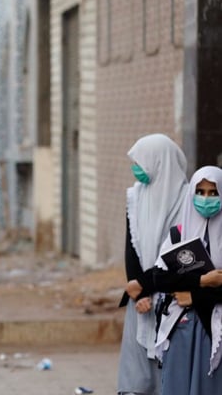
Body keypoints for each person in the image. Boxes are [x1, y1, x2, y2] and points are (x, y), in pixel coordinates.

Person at [116, 134, 188, 395]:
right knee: (136, 374)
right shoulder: (135, 198)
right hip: (142, 298)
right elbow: (131, 249)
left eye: (140, 162)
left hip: (175, 295)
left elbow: (183, 255)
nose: (136, 169)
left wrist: (146, 284)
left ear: (159, 162)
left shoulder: (187, 200)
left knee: (169, 367)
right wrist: (140, 292)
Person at [153, 165, 222, 395]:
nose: (206, 198)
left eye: (213, 193)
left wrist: (193, 294)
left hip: (214, 329)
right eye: (200, 192)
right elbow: (160, 278)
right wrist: (202, 281)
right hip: (181, 327)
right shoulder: (178, 235)